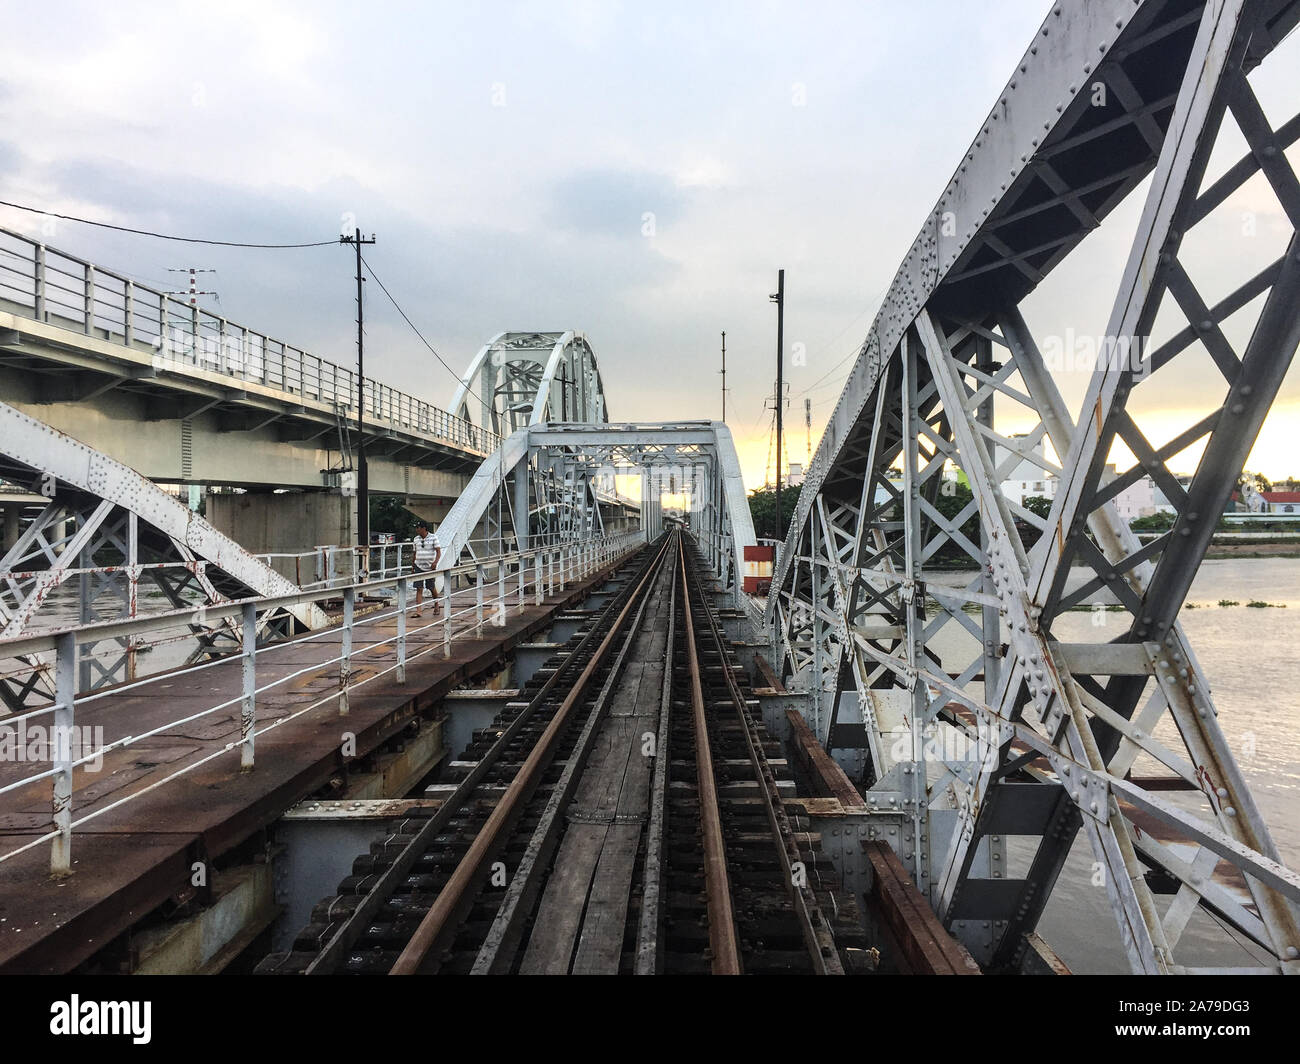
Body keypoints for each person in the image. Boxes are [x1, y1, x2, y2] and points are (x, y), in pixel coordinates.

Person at [411, 522, 442, 616]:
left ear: (424, 528)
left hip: (430, 567)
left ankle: (436, 605)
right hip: (418, 566)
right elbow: (414, 553)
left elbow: (438, 552)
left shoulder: (433, 537)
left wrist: (435, 562)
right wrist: (412, 566)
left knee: (431, 587)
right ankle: (418, 611)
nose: (416, 529)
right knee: (419, 588)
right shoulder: (416, 539)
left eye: (418, 528)